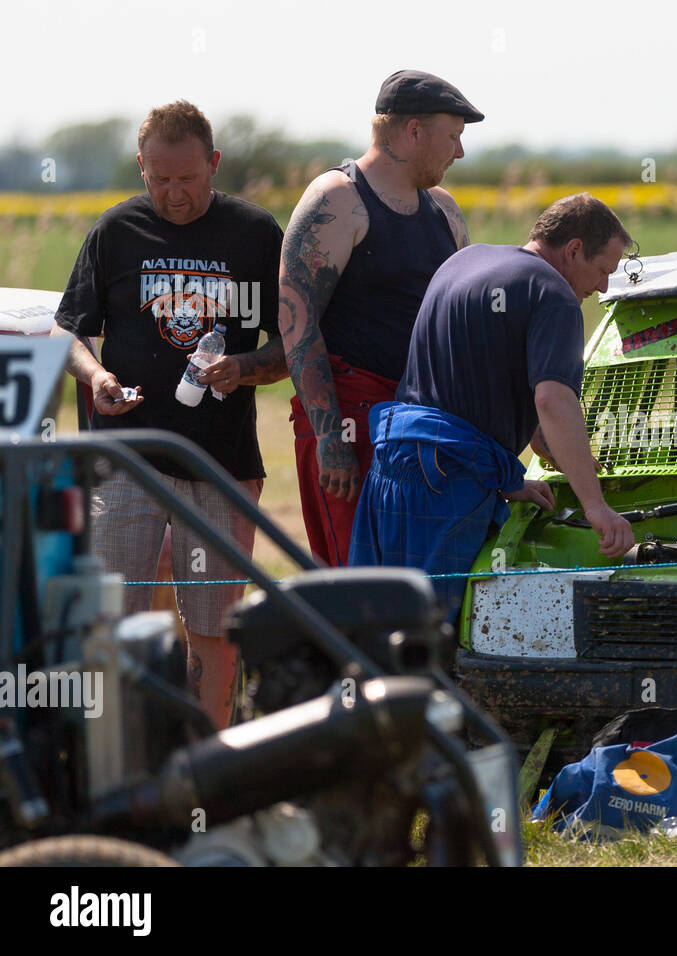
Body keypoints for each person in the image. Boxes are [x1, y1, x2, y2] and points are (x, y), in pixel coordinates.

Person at [51, 100, 286, 729]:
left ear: (213, 164)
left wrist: (245, 367)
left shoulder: (257, 234)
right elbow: (68, 330)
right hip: (127, 463)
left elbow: (295, 345)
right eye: (160, 179)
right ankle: (117, 768)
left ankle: (208, 764)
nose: (174, 193)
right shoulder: (114, 231)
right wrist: (96, 376)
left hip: (220, 465)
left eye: (188, 177)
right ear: (141, 168)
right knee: (112, 624)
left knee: (212, 627)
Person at [350, 194, 637, 621]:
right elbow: (553, 400)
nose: (603, 288)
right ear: (574, 249)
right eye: (602, 271)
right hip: (445, 483)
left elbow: (466, 381)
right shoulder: (553, 294)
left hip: (392, 465)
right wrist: (594, 506)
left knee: (371, 620)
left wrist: (506, 477)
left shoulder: (464, 261)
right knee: (430, 633)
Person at [278, 69, 479, 566]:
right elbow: (297, 323)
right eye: (452, 136)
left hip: (423, 425)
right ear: (413, 132)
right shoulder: (337, 199)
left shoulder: (445, 211)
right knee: (359, 585)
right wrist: (331, 439)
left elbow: (464, 325)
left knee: (420, 581)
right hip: (351, 420)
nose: (459, 152)